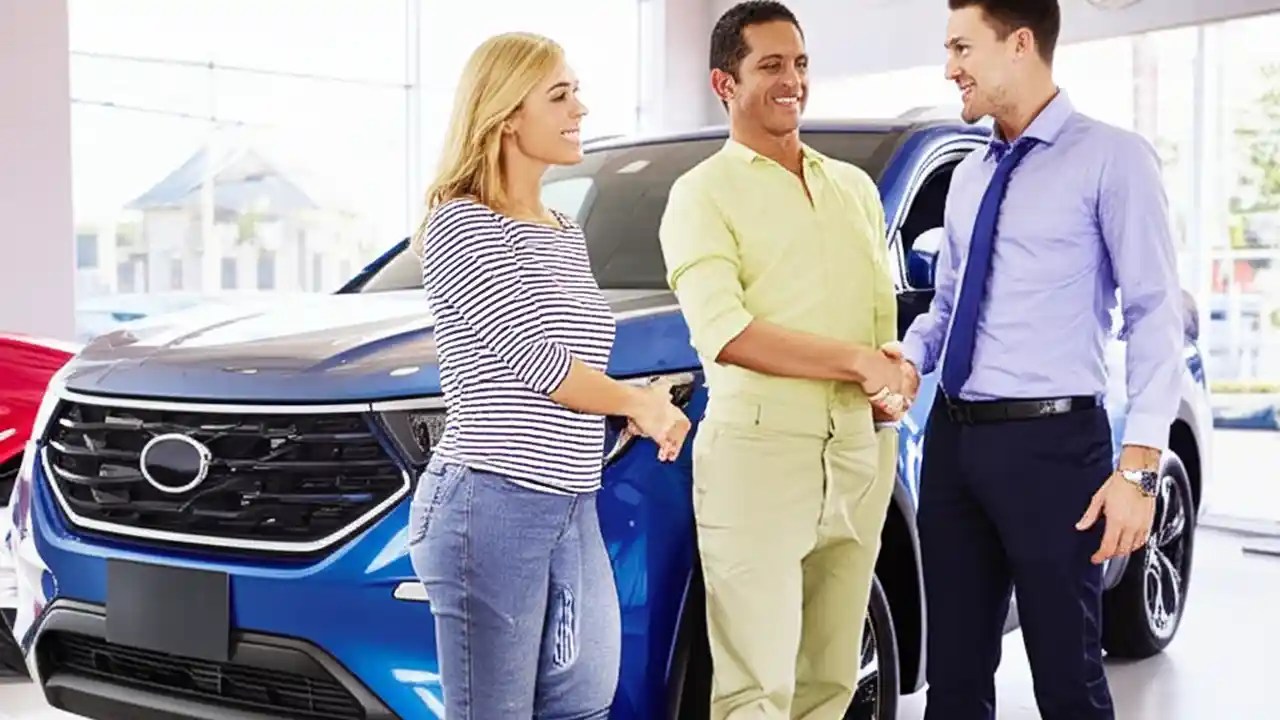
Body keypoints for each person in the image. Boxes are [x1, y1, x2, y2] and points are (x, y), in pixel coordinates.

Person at [898, 1, 1183, 718]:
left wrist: (1140, 470)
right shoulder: (969, 175)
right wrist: (908, 361)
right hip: (955, 445)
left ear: (1019, 43)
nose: (949, 67)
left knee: (1067, 682)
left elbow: (1155, 315)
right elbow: (949, 304)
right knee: (954, 682)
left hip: (1055, 452)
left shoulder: (1112, 159)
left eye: (963, 47)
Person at [408, 32, 692, 718]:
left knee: (585, 703)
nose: (581, 109)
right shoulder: (460, 225)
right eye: (560, 95)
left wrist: (621, 402)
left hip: (571, 499)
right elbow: (536, 362)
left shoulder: (563, 230)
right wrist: (638, 402)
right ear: (507, 116)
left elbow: (576, 362)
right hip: (489, 502)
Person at [659, 2, 910, 717]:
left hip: (860, 455)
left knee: (831, 679)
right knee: (755, 688)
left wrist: (893, 372)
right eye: (770, 65)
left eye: (799, 63)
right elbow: (725, 332)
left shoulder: (854, 189)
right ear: (724, 83)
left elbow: (876, 320)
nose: (791, 80)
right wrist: (858, 362)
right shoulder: (701, 194)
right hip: (759, 457)